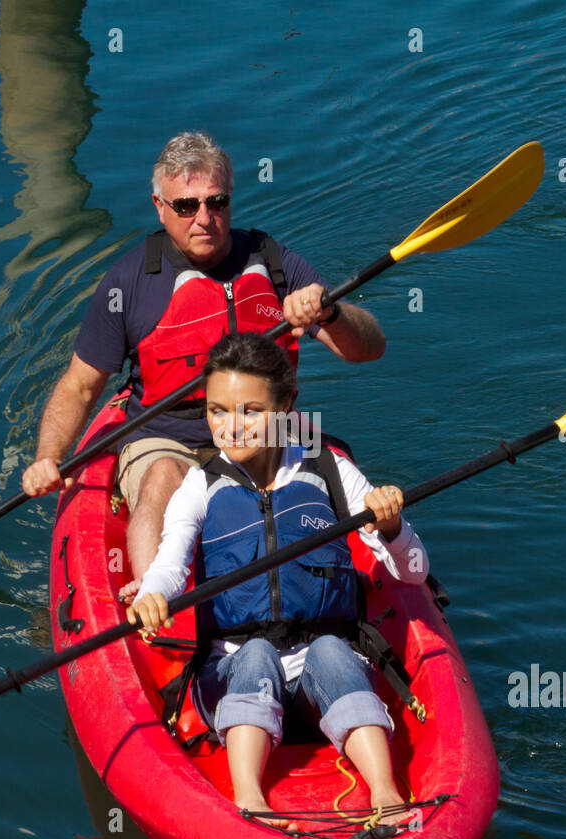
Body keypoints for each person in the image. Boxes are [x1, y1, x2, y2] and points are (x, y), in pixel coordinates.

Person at [21, 132, 386, 599]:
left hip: (267, 428)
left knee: (320, 475)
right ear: (159, 206)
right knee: (160, 479)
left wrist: (330, 312)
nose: (205, 219)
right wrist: (48, 457)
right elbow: (79, 386)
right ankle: (158, 604)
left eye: (217, 202)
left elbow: (369, 349)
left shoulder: (273, 263)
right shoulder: (128, 283)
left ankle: (351, 582)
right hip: (169, 436)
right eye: (186, 206)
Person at [125, 333, 426, 827]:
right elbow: (171, 561)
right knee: (256, 655)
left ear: (287, 405)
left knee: (332, 648)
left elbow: (413, 573)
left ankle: (387, 794)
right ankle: (251, 799)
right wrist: (156, 592)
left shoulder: (330, 470)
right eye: (218, 411)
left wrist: (391, 527)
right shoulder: (200, 484)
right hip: (231, 676)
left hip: (323, 677)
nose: (231, 428)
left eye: (250, 411)